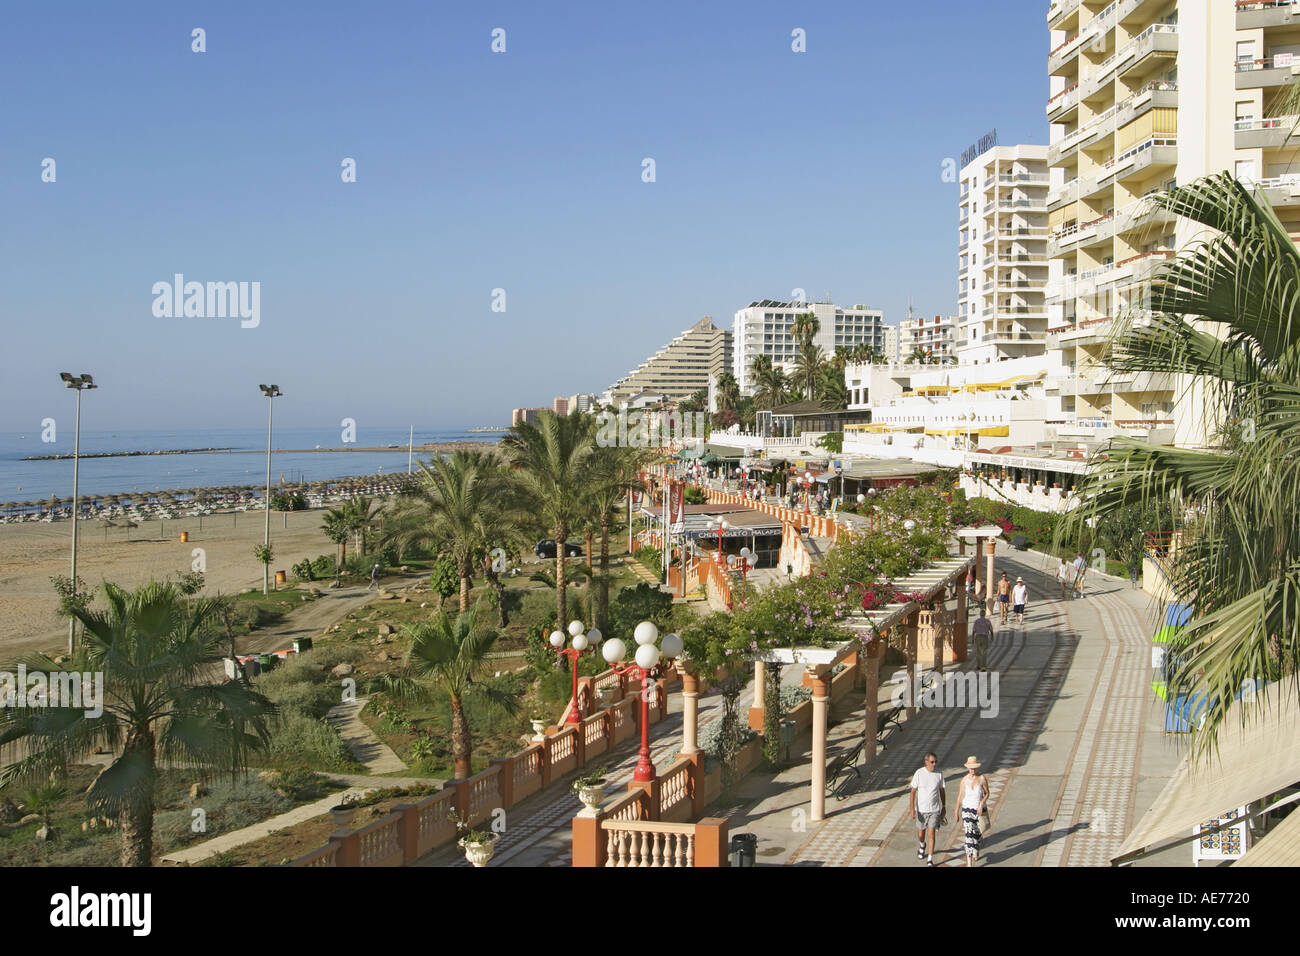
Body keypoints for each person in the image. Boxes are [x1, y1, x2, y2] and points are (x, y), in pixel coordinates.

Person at [909, 752, 946, 867]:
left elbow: (942, 791)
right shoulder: (919, 773)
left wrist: (943, 806)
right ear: (926, 762)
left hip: (934, 810)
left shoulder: (939, 774)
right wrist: (912, 809)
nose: (934, 764)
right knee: (921, 834)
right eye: (932, 762)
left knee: (931, 834)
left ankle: (930, 858)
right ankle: (922, 844)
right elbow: (913, 791)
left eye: (935, 762)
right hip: (921, 810)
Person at [956, 756, 989, 866]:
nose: (972, 770)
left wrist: (981, 804)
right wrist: (956, 811)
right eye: (971, 768)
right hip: (967, 810)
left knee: (976, 834)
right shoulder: (964, 780)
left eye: (974, 768)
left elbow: (987, 793)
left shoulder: (982, 778)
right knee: (969, 835)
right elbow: (960, 796)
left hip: (978, 810)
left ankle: (977, 848)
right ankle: (969, 863)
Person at [971, 607, 994, 673]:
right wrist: (992, 637)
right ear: (984, 614)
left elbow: (973, 631)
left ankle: (978, 665)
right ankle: (983, 666)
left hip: (978, 637)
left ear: (980, 614)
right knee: (984, 652)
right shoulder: (987, 621)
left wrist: (972, 638)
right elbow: (991, 630)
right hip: (985, 637)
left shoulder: (977, 621)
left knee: (978, 652)